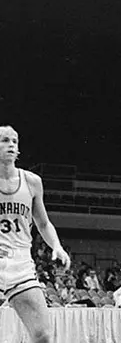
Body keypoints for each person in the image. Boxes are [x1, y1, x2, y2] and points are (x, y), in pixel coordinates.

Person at [0, 125, 71, 343]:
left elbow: (43, 223)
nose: (11, 145)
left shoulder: (32, 181)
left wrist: (56, 246)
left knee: (43, 335)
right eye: (4, 140)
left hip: (20, 262)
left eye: (14, 141)